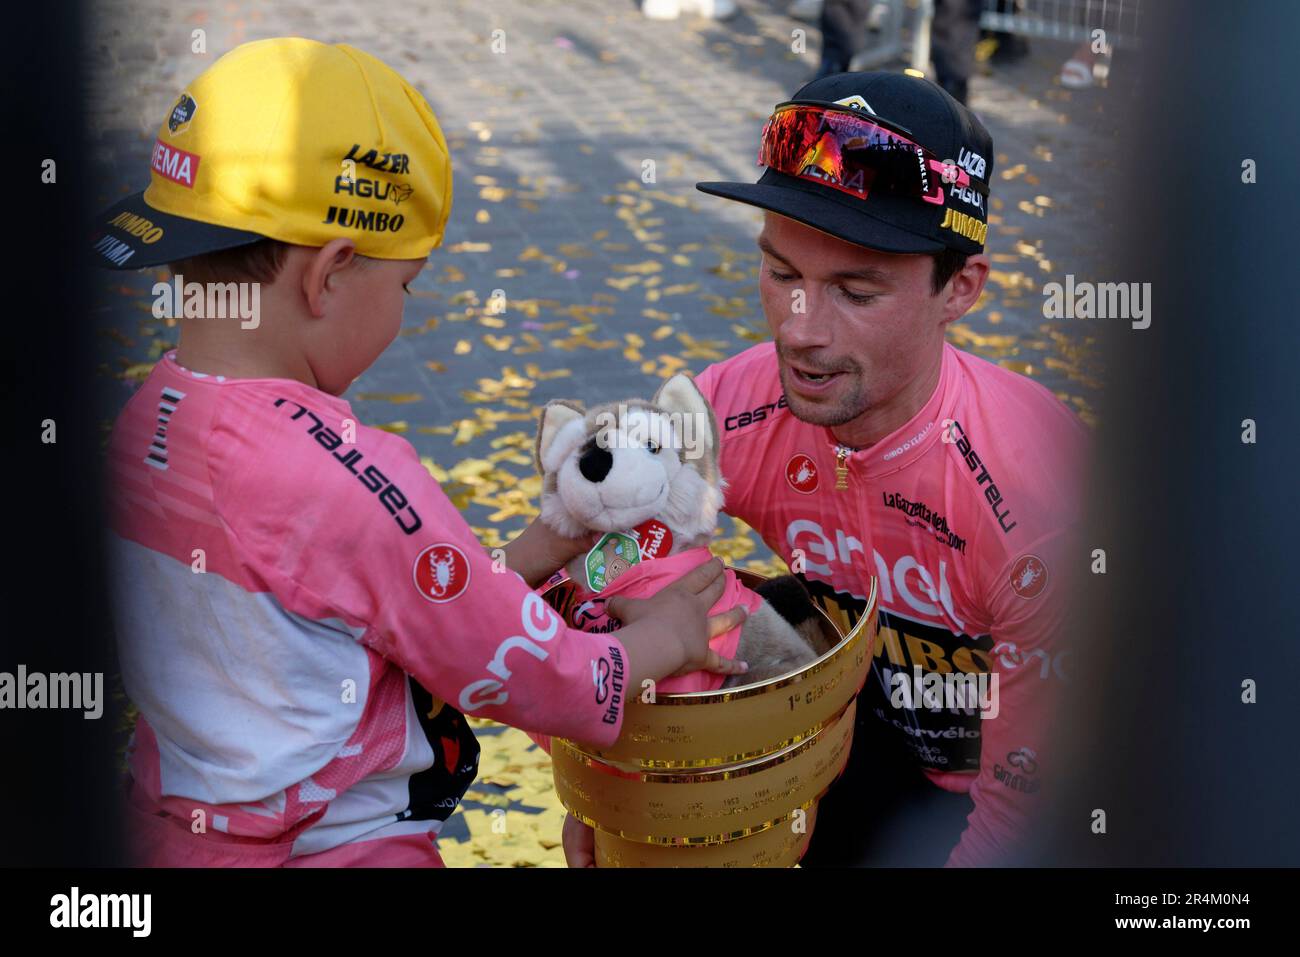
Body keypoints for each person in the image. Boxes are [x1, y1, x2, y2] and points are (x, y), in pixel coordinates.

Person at [94, 37, 746, 867]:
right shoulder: (342, 476)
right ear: (328, 273)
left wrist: (525, 557)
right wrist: (664, 642)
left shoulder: (144, 418)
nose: (404, 311)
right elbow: (520, 672)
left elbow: (348, 612)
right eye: (405, 285)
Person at [564, 71, 1088, 867]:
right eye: (782, 275)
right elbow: (599, 549)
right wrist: (608, 786)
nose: (801, 331)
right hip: (850, 729)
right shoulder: (733, 403)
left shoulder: (1035, 493)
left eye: (854, 289)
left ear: (962, 290)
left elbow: (1028, 796)